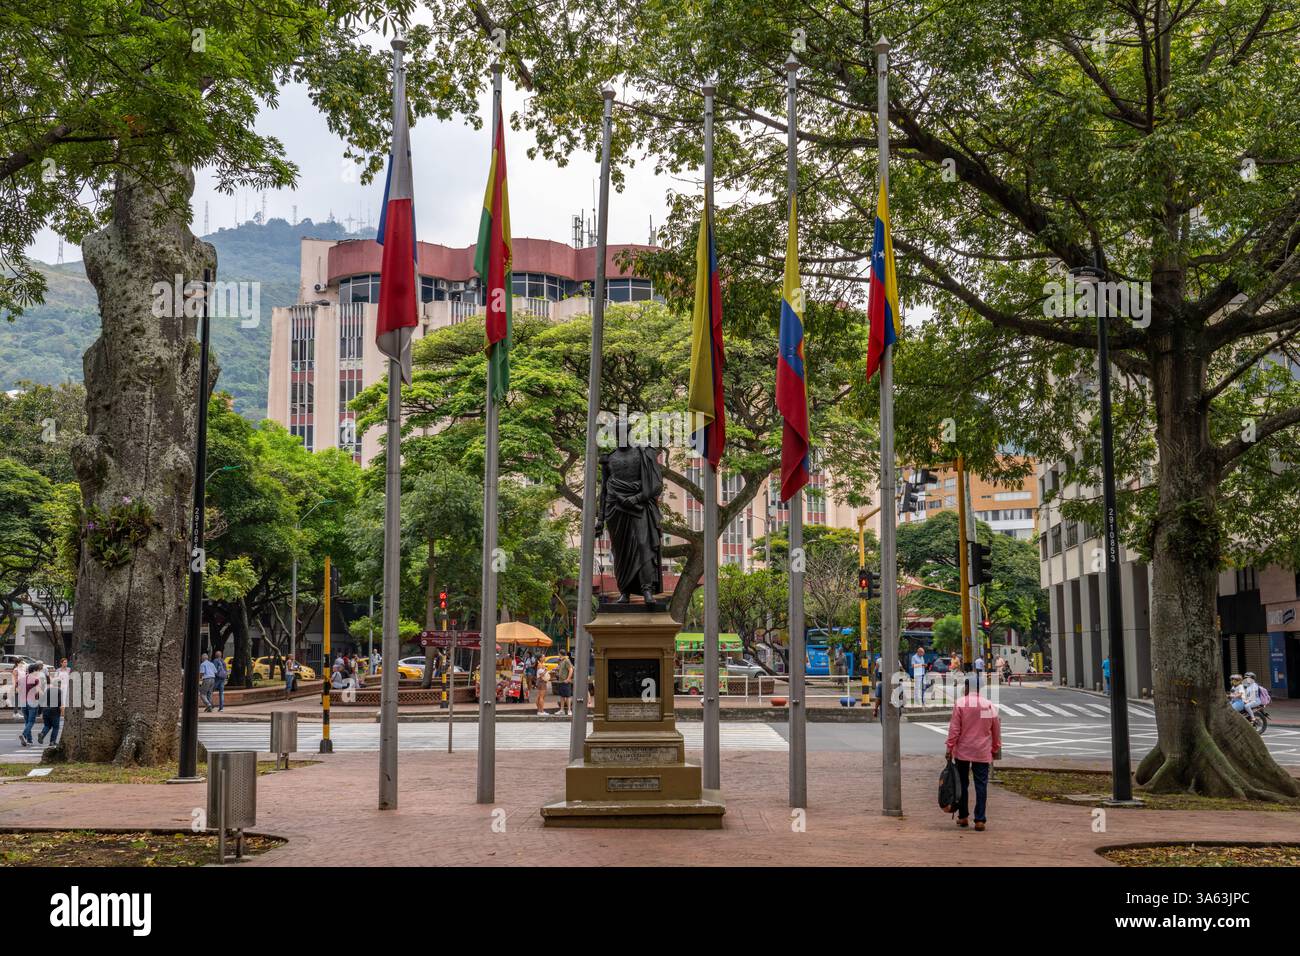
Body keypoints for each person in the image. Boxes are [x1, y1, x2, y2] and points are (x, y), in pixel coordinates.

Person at [945, 665, 1002, 831]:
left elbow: (954, 730)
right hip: (982, 751)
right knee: (981, 785)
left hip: (963, 751)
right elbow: (994, 729)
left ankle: (963, 817)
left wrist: (949, 748)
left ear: (968, 687)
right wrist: (995, 747)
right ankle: (980, 820)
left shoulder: (961, 704)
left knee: (962, 783)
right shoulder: (987, 705)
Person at [18, 660, 44, 747]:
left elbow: (18, 690)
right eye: (37, 670)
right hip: (32, 702)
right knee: (31, 721)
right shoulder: (36, 679)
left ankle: (29, 740)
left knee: (27, 721)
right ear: (34, 670)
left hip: (22, 702)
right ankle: (24, 734)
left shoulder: (21, 679)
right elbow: (38, 691)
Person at [38, 665, 64, 746]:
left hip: (46, 710)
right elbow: (59, 702)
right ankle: (52, 742)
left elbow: (42, 700)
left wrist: (41, 712)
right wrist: (62, 710)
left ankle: (42, 734)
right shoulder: (59, 691)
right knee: (56, 727)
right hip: (54, 710)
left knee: (47, 725)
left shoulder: (48, 690)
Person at [555, 652, 575, 716]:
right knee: (562, 696)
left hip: (565, 681)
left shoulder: (567, 660)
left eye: (559, 654)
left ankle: (569, 710)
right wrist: (556, 669)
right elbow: (561, 669)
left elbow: (571, 669)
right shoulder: (562, 661)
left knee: (568, 696)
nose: (558, 655)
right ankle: (562, 710)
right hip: (561, 681)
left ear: (561, 654)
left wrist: (568, 679)